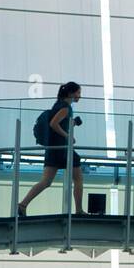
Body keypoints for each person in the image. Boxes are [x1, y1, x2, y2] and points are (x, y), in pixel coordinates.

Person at [18, 82, 86, 215]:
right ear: (71, 94)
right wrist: (68, 137)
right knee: (78, 178)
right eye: (78, 93)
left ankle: (22, 205)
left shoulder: (57, 105)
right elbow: (54, 123)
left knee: (46, 181)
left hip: (52, 148)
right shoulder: (66, 108)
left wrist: (73, 123)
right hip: (63, 149)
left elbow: (59, 122)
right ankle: (79, 210)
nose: (79, 96)